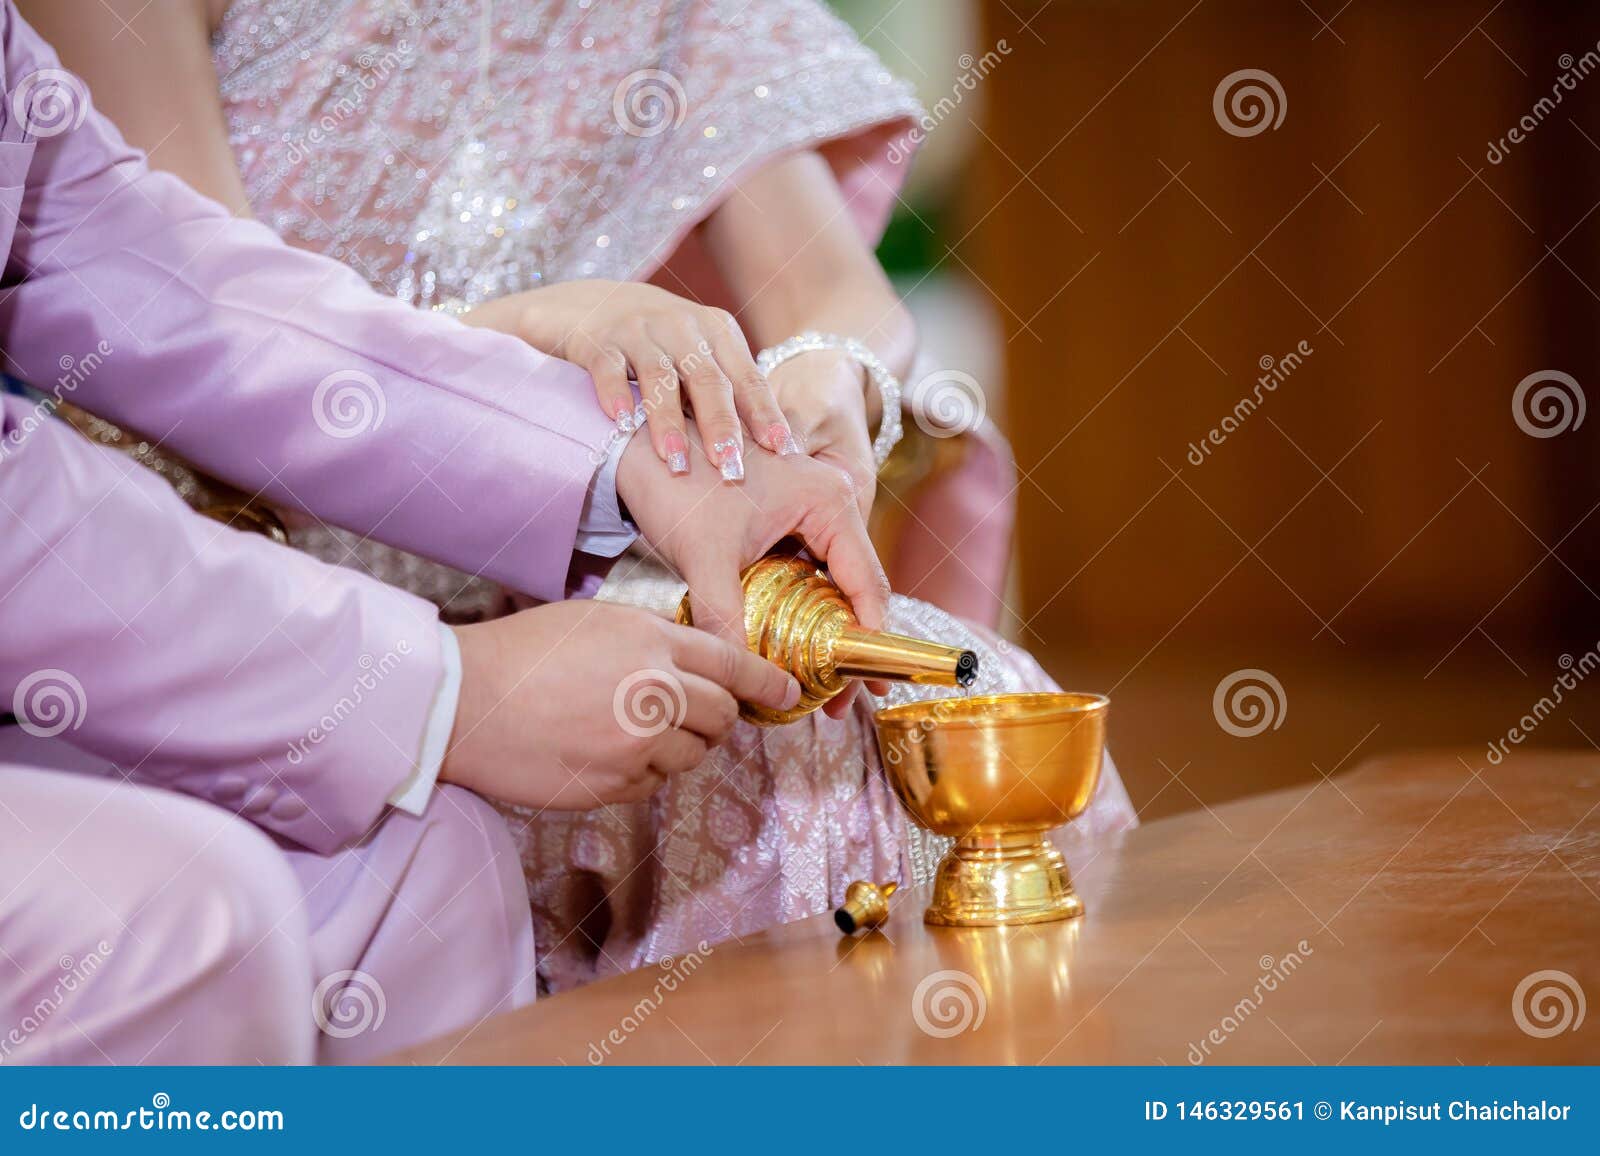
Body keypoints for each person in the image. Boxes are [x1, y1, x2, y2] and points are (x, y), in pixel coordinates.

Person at [23, 0, 1139, 993]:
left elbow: (831, 300)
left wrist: (794, 386)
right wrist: (548, 335)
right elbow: (190, 355)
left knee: (885, 712)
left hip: (607, 557)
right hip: (269, 590)